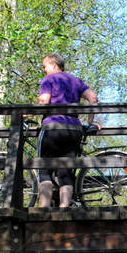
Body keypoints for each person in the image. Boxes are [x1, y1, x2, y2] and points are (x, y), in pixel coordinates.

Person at [35, 53, 100, 209]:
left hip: (53, 128)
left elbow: (44, 101)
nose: (43, 70)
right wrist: (91, 121)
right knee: (66, 172)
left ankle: (44, 209)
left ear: (54, 65)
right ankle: (64, 209)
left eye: (44, 66)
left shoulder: (49, 79)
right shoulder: (76, 80)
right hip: (74, 129)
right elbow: (93, 98)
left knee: (44, 169)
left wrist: (26, 113)